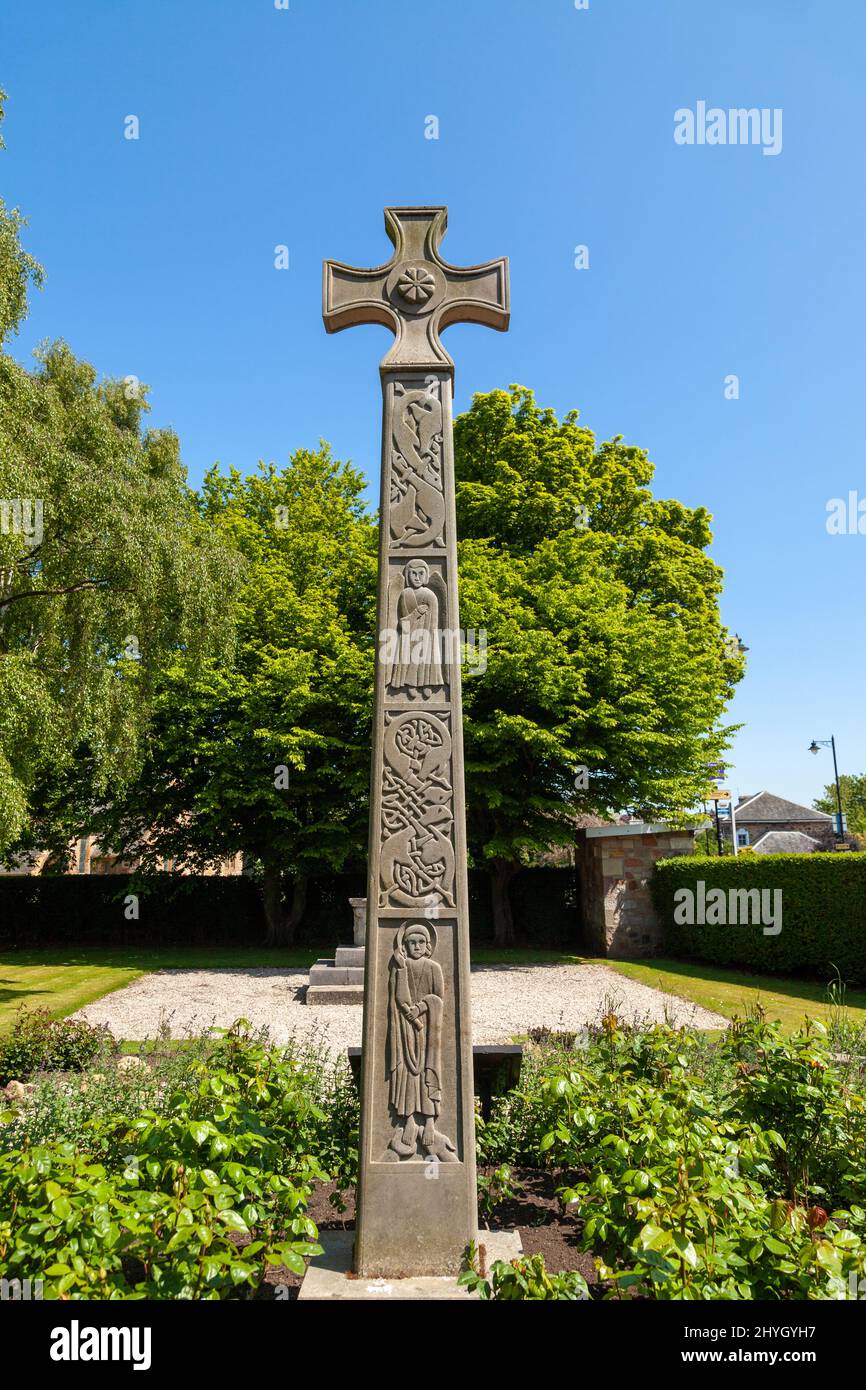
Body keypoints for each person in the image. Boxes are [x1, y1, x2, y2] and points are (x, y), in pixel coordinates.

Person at [385, 922, 457, 1161]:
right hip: (406, 1031)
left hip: (428, 1031)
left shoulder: (434, 967)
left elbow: (439, 997)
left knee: (428, 1074)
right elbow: (399, 996)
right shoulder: (401, 968)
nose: (416, 946)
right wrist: (401, 966)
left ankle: (428, 1123)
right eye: (411, 943)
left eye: (420, 943)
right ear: (405, 946)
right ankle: (408, 1121)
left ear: (428, 946)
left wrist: (422, 1007)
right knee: (408, 1074)